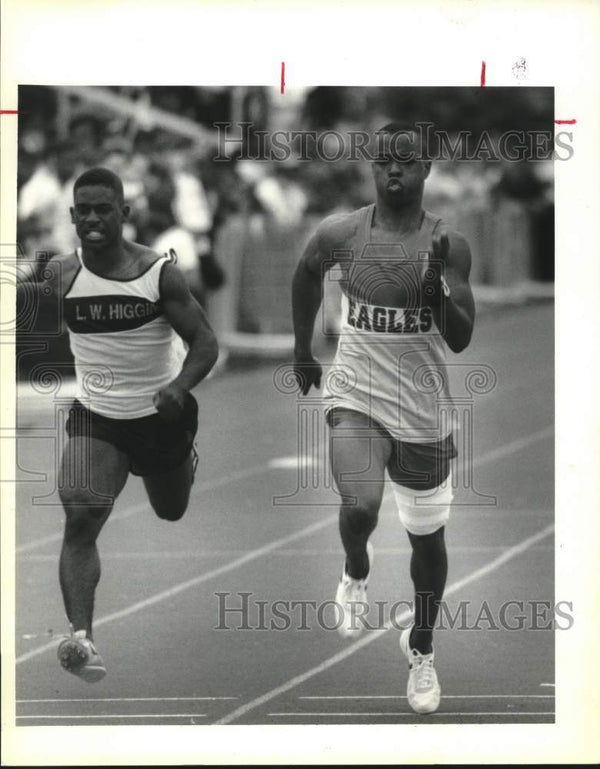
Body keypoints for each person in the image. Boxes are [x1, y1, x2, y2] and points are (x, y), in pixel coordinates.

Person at [291, 123, 475, 714]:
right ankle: (355, 570)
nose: (393, 170)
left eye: (405, 162)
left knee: (428, 541)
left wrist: (441, 284)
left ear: (425, 171)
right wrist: (302, 348)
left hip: (422, 408)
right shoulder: (341, 232)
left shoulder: (448, 243)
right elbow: (304, 271)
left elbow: (462, 338)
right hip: (357, 390)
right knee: (360, 506)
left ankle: (420, 648)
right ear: (372, 170)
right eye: (382, 161)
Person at [19, 167, 219, 683]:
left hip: (160, 414)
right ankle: (82, 639)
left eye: (102, 208)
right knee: (81, 514)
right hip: (97, 417)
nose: (91, 218)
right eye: (81, 209)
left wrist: (180, 387)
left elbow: (205, 343)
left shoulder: (157, 273)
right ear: (71, 216)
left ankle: (181, 460)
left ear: (123, 213)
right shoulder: (61, 274)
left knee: (171, 510)